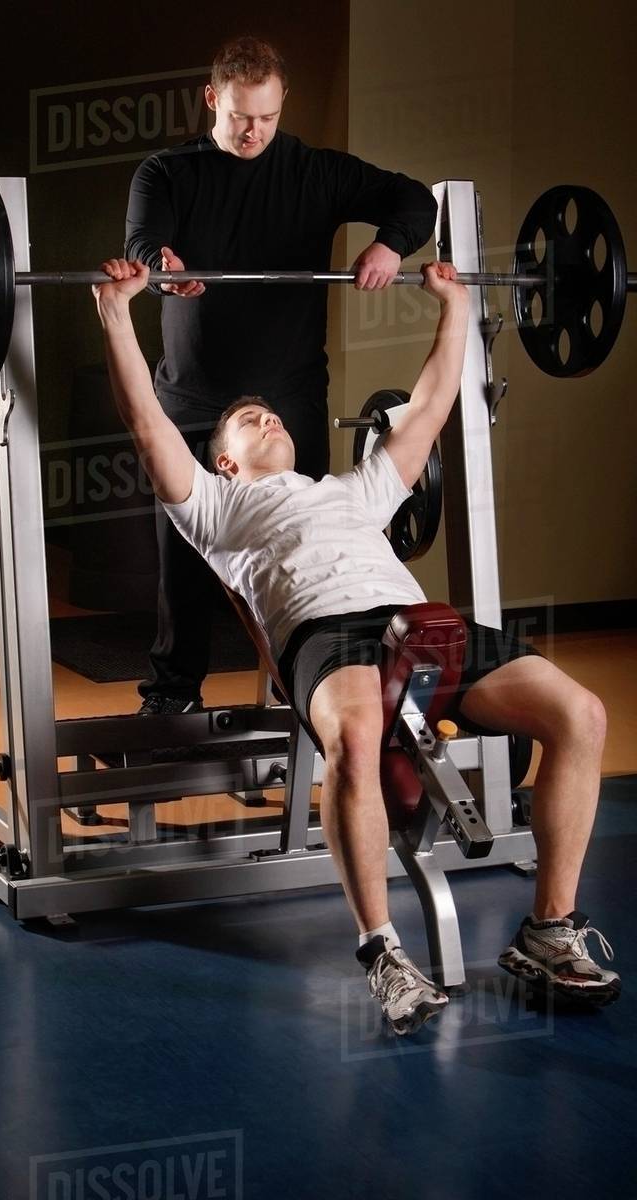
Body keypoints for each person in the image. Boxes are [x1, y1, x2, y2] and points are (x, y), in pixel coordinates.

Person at [91, 257, 621, 1036]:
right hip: (324, 635)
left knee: (581, 714)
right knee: (359, 733)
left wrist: (454, 305)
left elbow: (430, 408)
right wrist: (115, 313)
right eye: (249, 421)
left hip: (418, 625)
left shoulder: (353, 491)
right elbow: (147, 424)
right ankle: (383, 952)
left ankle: (548, 929)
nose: (269, 420)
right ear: (224, 459)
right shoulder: (213, 509)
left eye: (273, 415)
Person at [124, 35, 438, 716]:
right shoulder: (166, 172)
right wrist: (162, 269)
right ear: (212, 98)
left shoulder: (314, 172)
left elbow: (415, 200)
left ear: (283, 102)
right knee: (184, 569)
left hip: (287, 404)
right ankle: (172, 696)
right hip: (191, 398)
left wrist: (389, 245)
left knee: (300, 554)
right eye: (240, 116)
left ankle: (296, 693)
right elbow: (142, 242)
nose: (253, 131)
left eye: (266, 117)